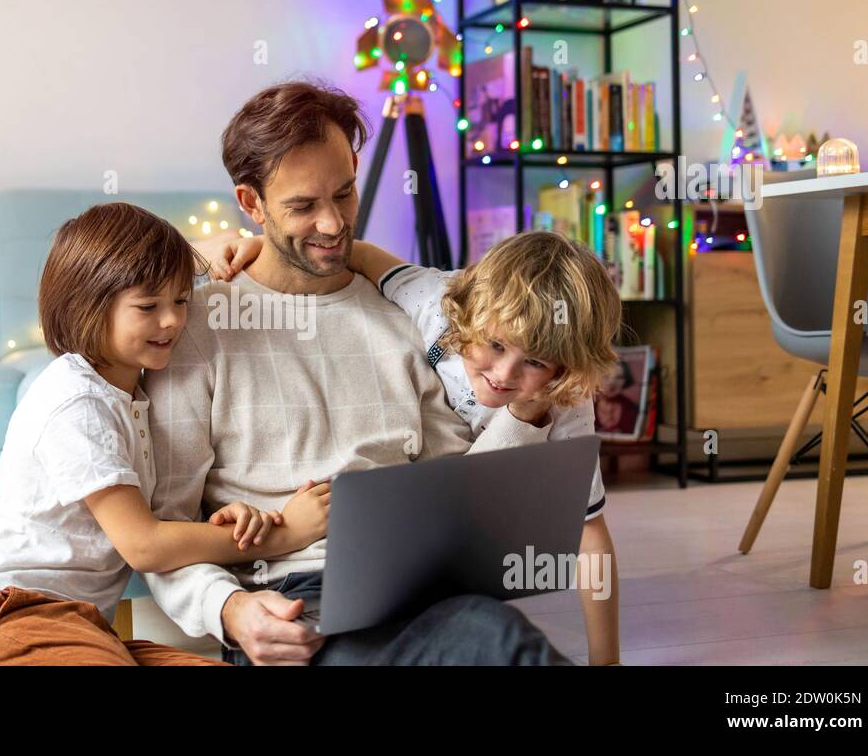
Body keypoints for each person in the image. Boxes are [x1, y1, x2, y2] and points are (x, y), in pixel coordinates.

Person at [142, 80, 572, 666]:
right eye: (302, 206)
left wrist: (527, 412)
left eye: (344, 194)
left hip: (418, 591)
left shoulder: (400, 319)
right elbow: (163, 530)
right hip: (286, 606)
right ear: (250, 204)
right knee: (494, 642)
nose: (333, 224)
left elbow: (458, 490)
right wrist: (230, 611)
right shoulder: (193, 331)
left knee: (495, 635)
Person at [0, 202, 329, 665]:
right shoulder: (77, 400)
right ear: (86, 305)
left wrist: (227, 520)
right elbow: (144, 544)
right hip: (6, 615)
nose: (172, 321)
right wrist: (285, 536)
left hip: (84, 626)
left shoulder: (132, 395)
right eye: (148, 307)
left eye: (181, 301)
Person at [213, 229, 623, 664]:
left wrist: (606, 658)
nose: (504, 373)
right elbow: (363, 254)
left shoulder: (566, 401)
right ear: (470, 313)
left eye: (535, 362)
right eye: (496, 344)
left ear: (564, 371)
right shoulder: (433, 299)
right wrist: (260, 244)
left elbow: (590, 532)